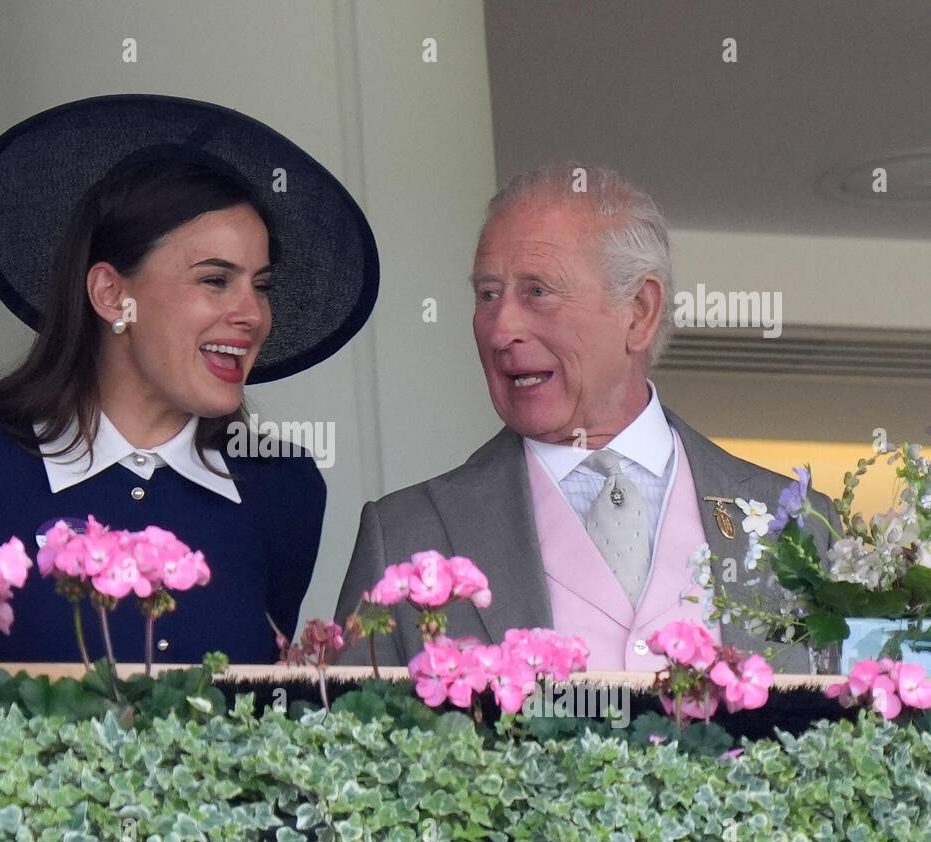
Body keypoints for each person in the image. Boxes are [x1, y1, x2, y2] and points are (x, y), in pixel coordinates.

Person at [0, 95, 379, 664]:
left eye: (261, 285)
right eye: (216, 280)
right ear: (110, 294)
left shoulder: (279, 492)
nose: (253, 314)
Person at [336, 162, 836, 673]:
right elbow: (352, 742)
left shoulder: (802, 527)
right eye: (488, 295)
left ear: (639, 311)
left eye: (537, 292)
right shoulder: (404, 535)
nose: (500, 329)